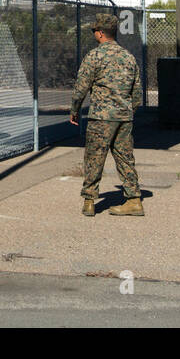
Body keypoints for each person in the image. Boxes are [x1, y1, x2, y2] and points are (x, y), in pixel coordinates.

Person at [69, 12, 143, 216]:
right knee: (125, 157)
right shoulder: (129, 57)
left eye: (94, 30)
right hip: (124, 117)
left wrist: (74, 110)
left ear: (101, 33)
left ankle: (90, 201)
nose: (94, 33)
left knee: (94, 157)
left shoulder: (95, 56)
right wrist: (128, 110)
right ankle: (134, 199)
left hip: (101, 117)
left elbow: (81, 87)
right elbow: (137, 94)